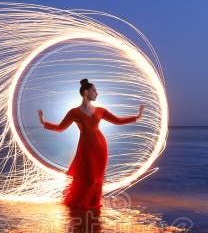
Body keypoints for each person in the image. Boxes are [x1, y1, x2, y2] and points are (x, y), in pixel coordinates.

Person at [38, 79, 144, 209]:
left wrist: (137, 117)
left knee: (96, 179)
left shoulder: (101, 110)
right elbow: (61, 128)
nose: (96, 93)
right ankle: (80, 205)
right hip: (85, 148)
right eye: (94, 91)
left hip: (100, 148)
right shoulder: (74, 112)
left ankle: (93, 206)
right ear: (86, 92)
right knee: (86, 178)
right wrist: (44, 122)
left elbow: (118, 121)